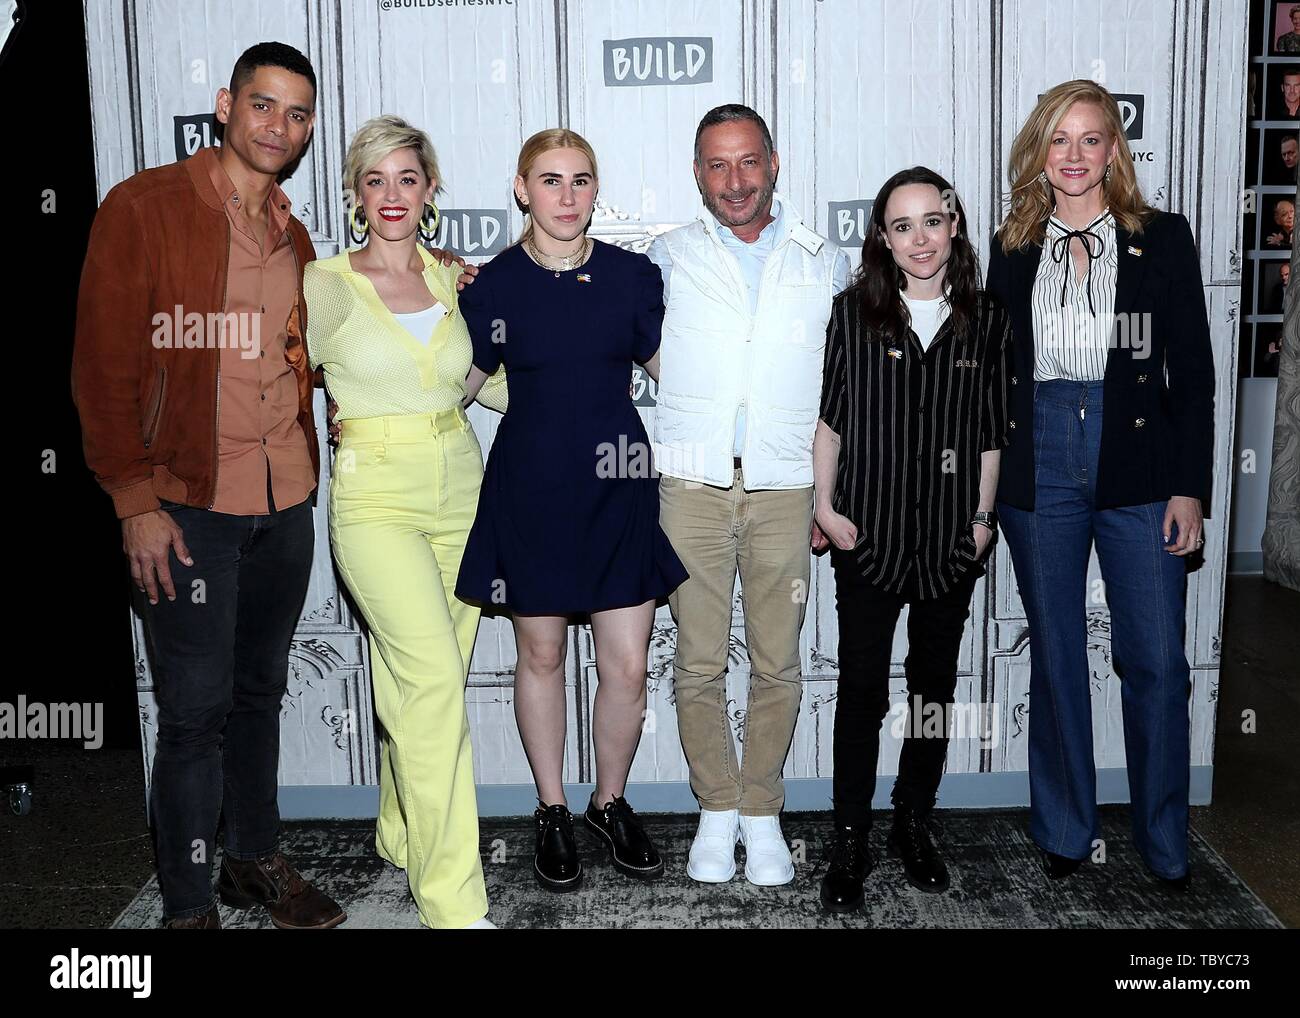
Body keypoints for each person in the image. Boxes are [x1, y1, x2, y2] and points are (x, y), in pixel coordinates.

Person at [72, 43, 345, 929]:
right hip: (187, 504)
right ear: (226, 105)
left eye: (297, 114)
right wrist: (134, 504)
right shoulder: (144, 207)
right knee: (193, 714)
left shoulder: (294, 232)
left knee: (260, 692)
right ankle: (188, 907)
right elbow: (103, 367)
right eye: (264, 106)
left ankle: (250, 860)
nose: (280, 127)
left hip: (284, 497)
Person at [986, 79, 1215, 891]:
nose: (1075, 156)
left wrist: (1188, 488)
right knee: (1055, 655)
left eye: (1091, 139)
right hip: (1038, 454)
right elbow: (993, 376)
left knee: (1155, 657)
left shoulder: (1161, 238)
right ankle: (1064, 827)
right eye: (1059, 140)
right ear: (1038, 153)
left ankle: (1164, 839)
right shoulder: (1012, 246)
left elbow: (1191, 374)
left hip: (1139, 460)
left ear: (1115, 149)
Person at [454, 129, 688, 892]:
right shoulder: (490, 287)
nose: (565, 195)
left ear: (596, 190)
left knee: (626, 663)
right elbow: (452, 385)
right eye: (549, 180)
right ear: (522, 189)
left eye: (580, 180)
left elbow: (681, 379)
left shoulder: (632, 277)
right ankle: (551, 807)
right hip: (531, 489)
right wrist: (363, 411)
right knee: (543, 656)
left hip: (619, 487)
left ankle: (608, 801)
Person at [306, 115, 509, 929]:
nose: (392, 194)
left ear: (430, 191)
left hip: (461, 486)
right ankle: (454, 905)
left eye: (408, 178)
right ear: (356, 195)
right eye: (375, 180)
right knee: (430, 689)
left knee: (422, 681)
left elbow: (481, 384)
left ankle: (398, 828)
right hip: (374, 497)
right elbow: (279, 378)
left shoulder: (455, 278)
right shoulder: (326, 283)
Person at [647, 105, 850, 886]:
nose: (735, 182)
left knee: (777, 660)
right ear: (698, 174)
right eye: (716, 166)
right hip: (691, 485)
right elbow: (579, 290)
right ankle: (717, 806)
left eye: (747, 162)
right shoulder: (664, 258)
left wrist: (832, 494)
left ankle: (762, 809)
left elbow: (848, 385)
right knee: (696, 660)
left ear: (774, 163)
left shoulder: (824, 263)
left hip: (785, 486)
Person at [813, 168, 1012, 910]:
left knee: (933, 689)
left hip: (950, 544)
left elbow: (991, 431)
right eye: (902, 226)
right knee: (861, 691)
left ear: (954, 226)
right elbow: (831, 418)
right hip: (868, 537)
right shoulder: (855, 313)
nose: (920, 238)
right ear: (883, 239)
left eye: (933, 221)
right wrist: (827, 510)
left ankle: (912, 819)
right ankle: (850, 837)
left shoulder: (985, 320)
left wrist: (983, 521)